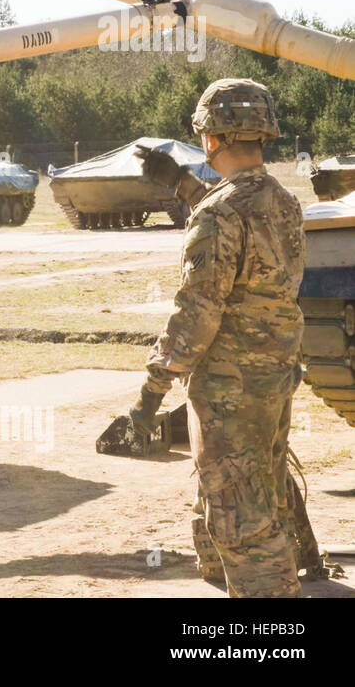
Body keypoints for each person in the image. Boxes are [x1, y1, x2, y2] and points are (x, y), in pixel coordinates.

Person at [133, 78, 314, 597]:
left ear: (211, 137)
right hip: (273, 379)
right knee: (263, 495)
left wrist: (150, 393)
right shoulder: (282, 201)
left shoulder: (220, 212)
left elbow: (196, 315)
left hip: (229, 390)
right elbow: (238, 220)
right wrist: (182, 184)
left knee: (241, 519)